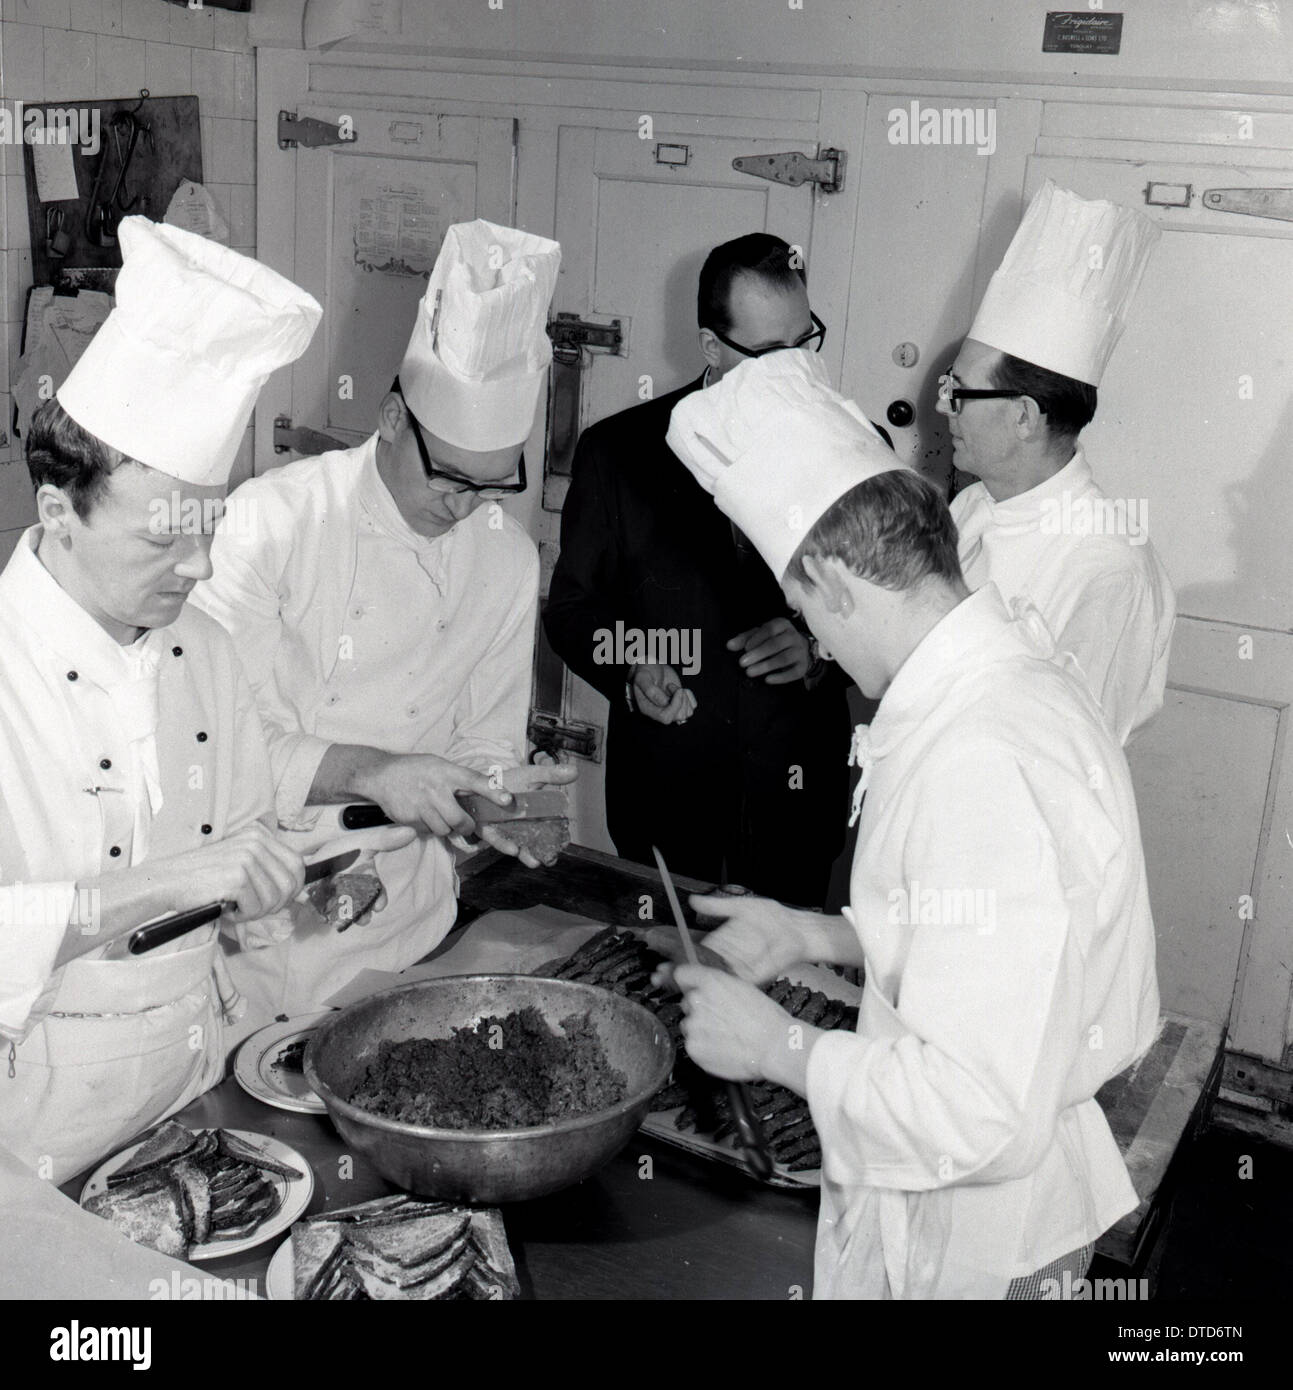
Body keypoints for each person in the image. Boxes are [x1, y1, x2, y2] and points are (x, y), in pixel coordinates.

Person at [662, 348, 1160, 1299]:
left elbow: (981, 1110)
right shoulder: (998, 672)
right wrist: (823, 934)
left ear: (835, 580)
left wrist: (776, 1047)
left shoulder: (977, 756)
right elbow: (994, 938)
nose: (811, 636)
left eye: (804, 604)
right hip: (972, 1202)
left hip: (977, 1237)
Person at [0, 219, 327, 1182]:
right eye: (161, 541)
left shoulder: (207, 650)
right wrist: (177, 881)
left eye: (211, 528)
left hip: (187, 1100)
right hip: (25, 1127)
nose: (199, 567)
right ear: (57, 509)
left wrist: (271, 886)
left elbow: (243, 847)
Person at [192, 219, 575, 1025]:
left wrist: (495, 799)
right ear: (393, 418)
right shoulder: (274, 522)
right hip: (263, 912)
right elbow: (219, 744)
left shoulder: (505, 560)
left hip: (405, 915)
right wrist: (376, 771)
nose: (463, 505)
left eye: (491, 486)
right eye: (449, 476)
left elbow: (483, 742)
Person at [544, 233, 852, 906]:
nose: (796, 369)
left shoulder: (857, 448)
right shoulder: (619, 454)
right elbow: (571, 610)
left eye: (807, 342)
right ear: (712, 348)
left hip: (795, 797)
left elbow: (894, 609)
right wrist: (633, 664)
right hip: (667, 797)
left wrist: (818, 646)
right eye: (772, 353)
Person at [941, 180, 1175, 744]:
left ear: (1024, 416)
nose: (943, 406)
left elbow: (1067, 752)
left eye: (960, 392)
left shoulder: (1108, 565)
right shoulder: (974, 504)